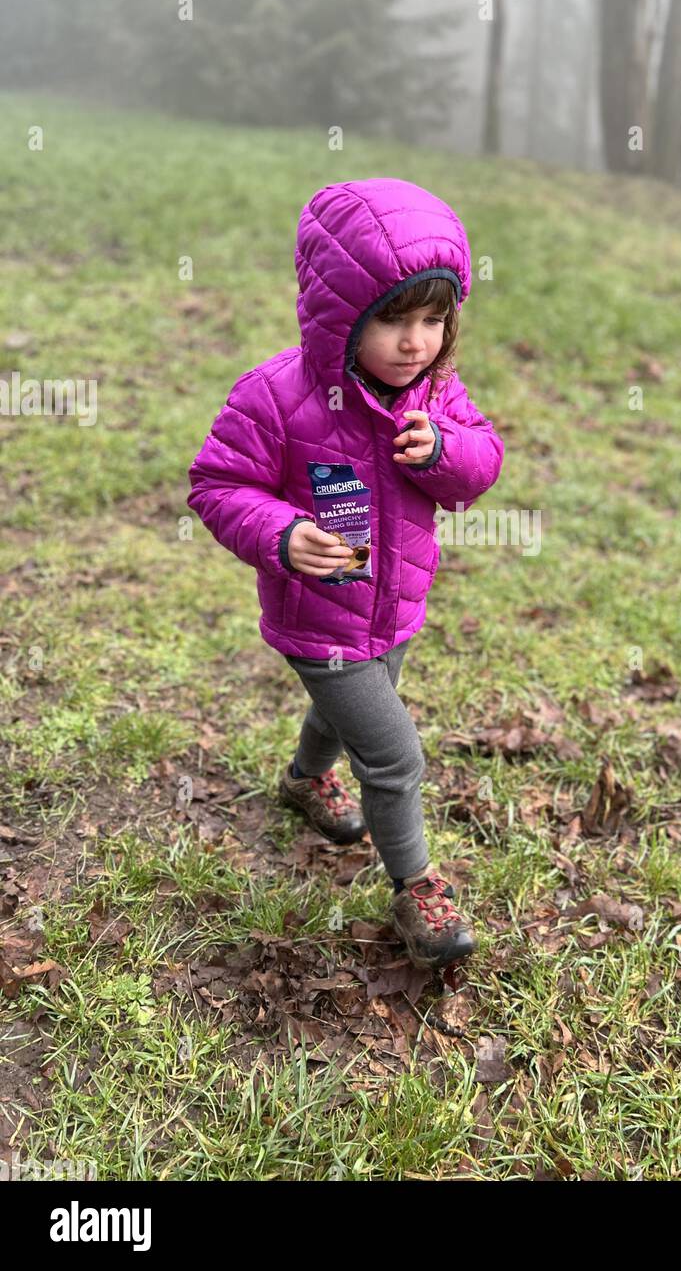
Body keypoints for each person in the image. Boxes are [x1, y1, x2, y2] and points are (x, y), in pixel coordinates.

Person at [186, 178, 504, 969]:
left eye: (433, 320)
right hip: (317, 615)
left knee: (348, 714)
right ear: (342, 315)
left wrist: (444, 453)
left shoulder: (434, 394)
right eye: (392, 320)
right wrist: (283, 533)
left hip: (395, 605)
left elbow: (482, 463)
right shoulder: (278, 397)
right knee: (392, 752)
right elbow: (217, 484)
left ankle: (303, 779)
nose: (414, 342)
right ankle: (417, 890)